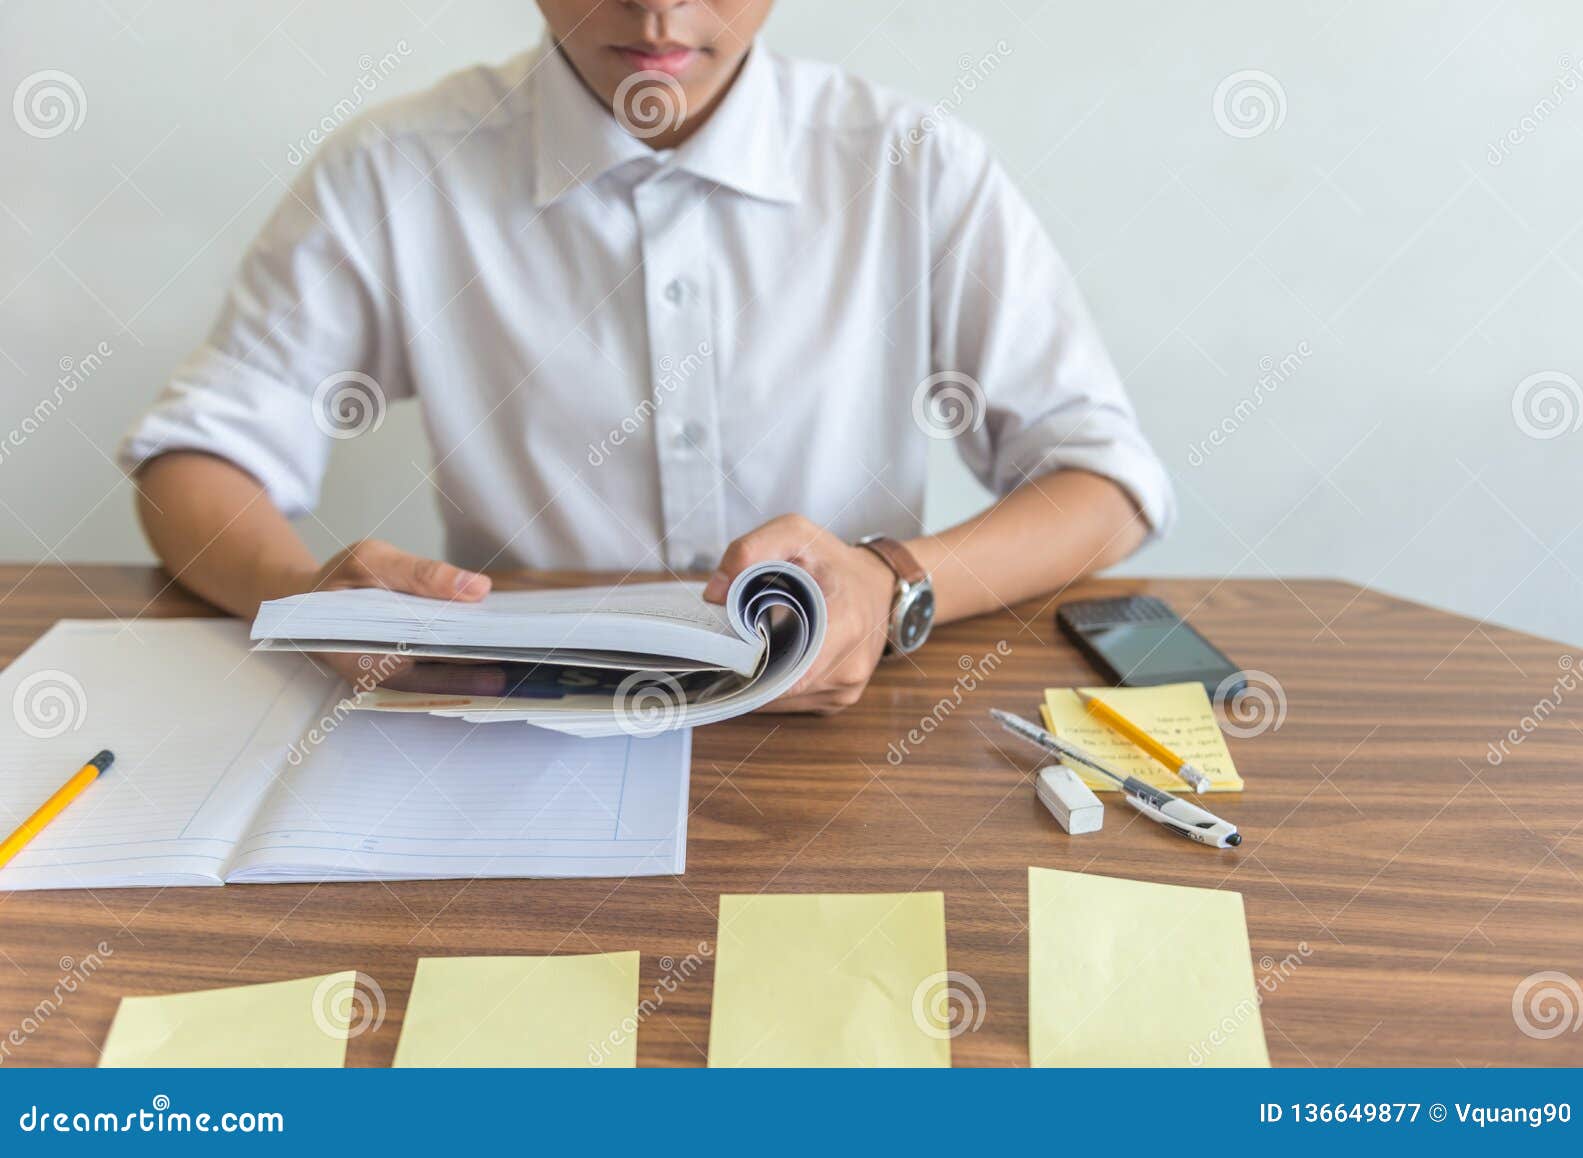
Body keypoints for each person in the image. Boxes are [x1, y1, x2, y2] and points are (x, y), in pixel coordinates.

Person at [120, 0, 1174, 714]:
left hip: (845, 733)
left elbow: (1105, 482)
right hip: (511, 731)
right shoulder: (395, 171)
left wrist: (894, 581)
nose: (659, 11)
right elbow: (195, 461)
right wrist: (304, 596)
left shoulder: (913, 165)